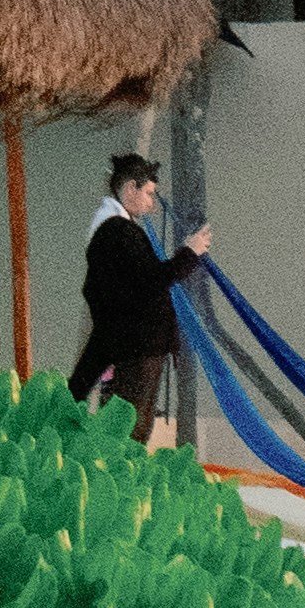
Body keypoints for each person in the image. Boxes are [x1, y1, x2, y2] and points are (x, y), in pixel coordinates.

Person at [71, 148, 205, 443]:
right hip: (137, 350)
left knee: (124, 425)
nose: (152, 205)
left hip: (127, 347)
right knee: (130, 430)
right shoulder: (119, 232)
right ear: (130, 187)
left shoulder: (111, 230)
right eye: (148, 193)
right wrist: (190, 253)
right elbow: (152, 280)